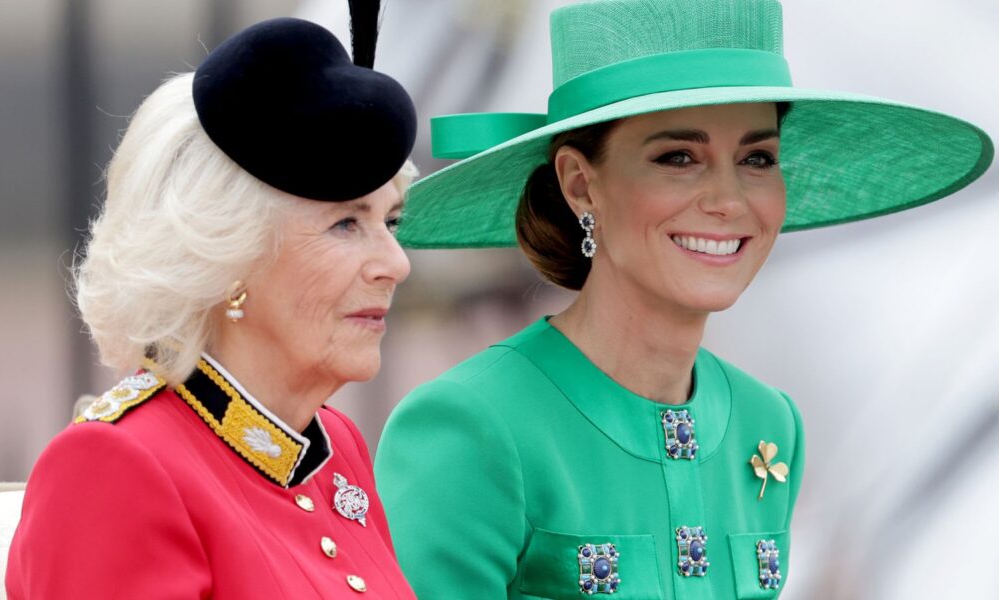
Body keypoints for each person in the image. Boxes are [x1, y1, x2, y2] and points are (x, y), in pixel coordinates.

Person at [373, 0, 993, 598]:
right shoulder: (468, 427)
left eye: (757, 158)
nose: (728, 200)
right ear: (580, 184)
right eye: (678, 157)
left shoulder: (769, 425)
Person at [6, 12, 419, 599]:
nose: (395, 264)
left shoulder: (333, 442)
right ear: (227, 258)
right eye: (346, 224)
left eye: (391, 221)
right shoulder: (113, 466)